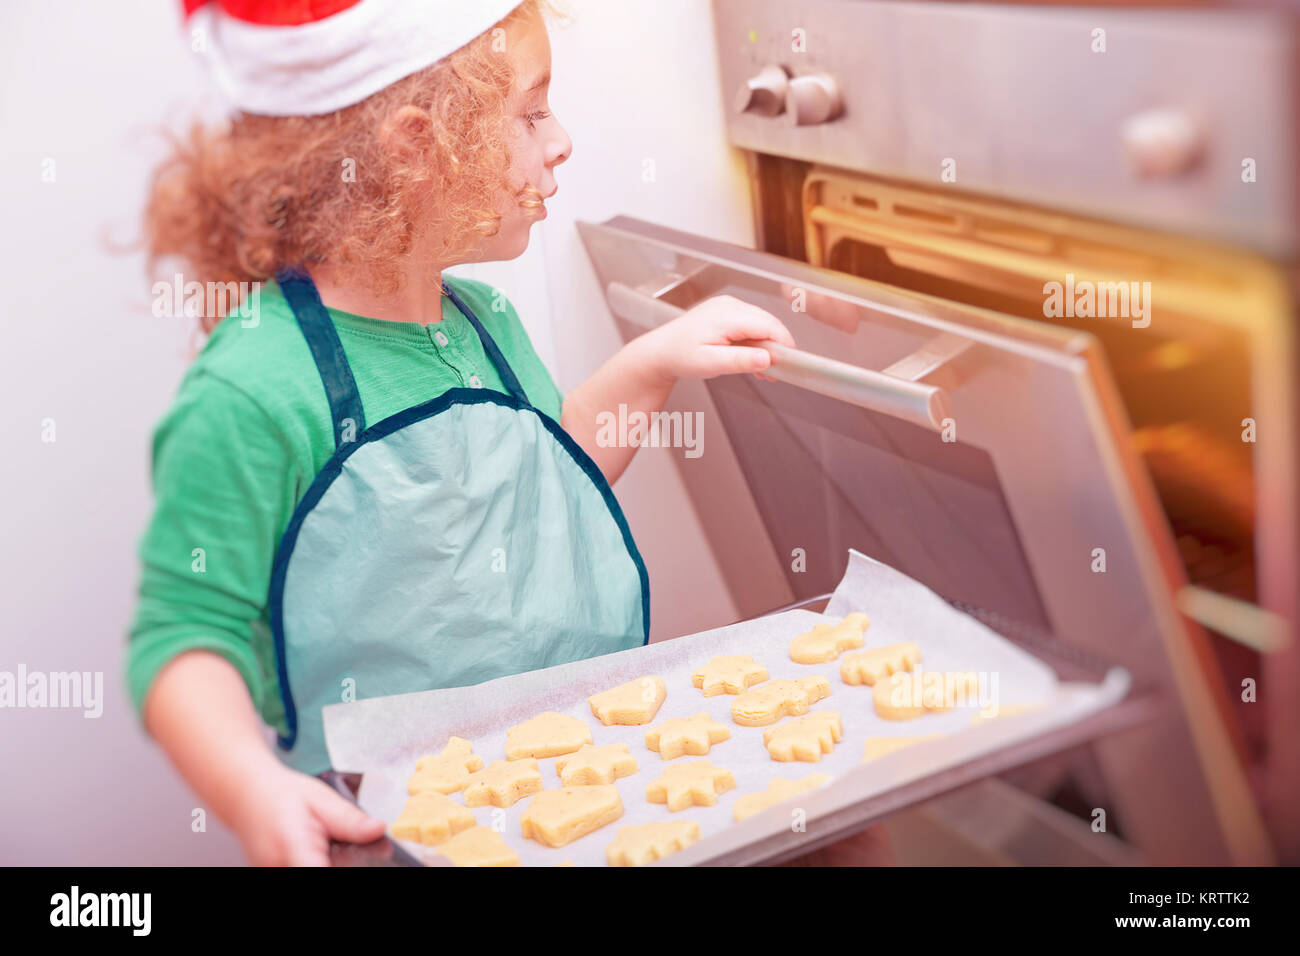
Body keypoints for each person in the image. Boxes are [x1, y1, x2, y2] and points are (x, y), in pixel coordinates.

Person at [131, 0, 895, 867]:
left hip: (577, 782)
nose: (560, 139)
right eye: (531, 113)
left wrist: (651, 363)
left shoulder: (484, 318)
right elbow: (184, 638)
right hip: (398, 832)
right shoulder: (256, 385)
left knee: (847, 841)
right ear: (418, 146)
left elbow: (548, 471)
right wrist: (251, 787)